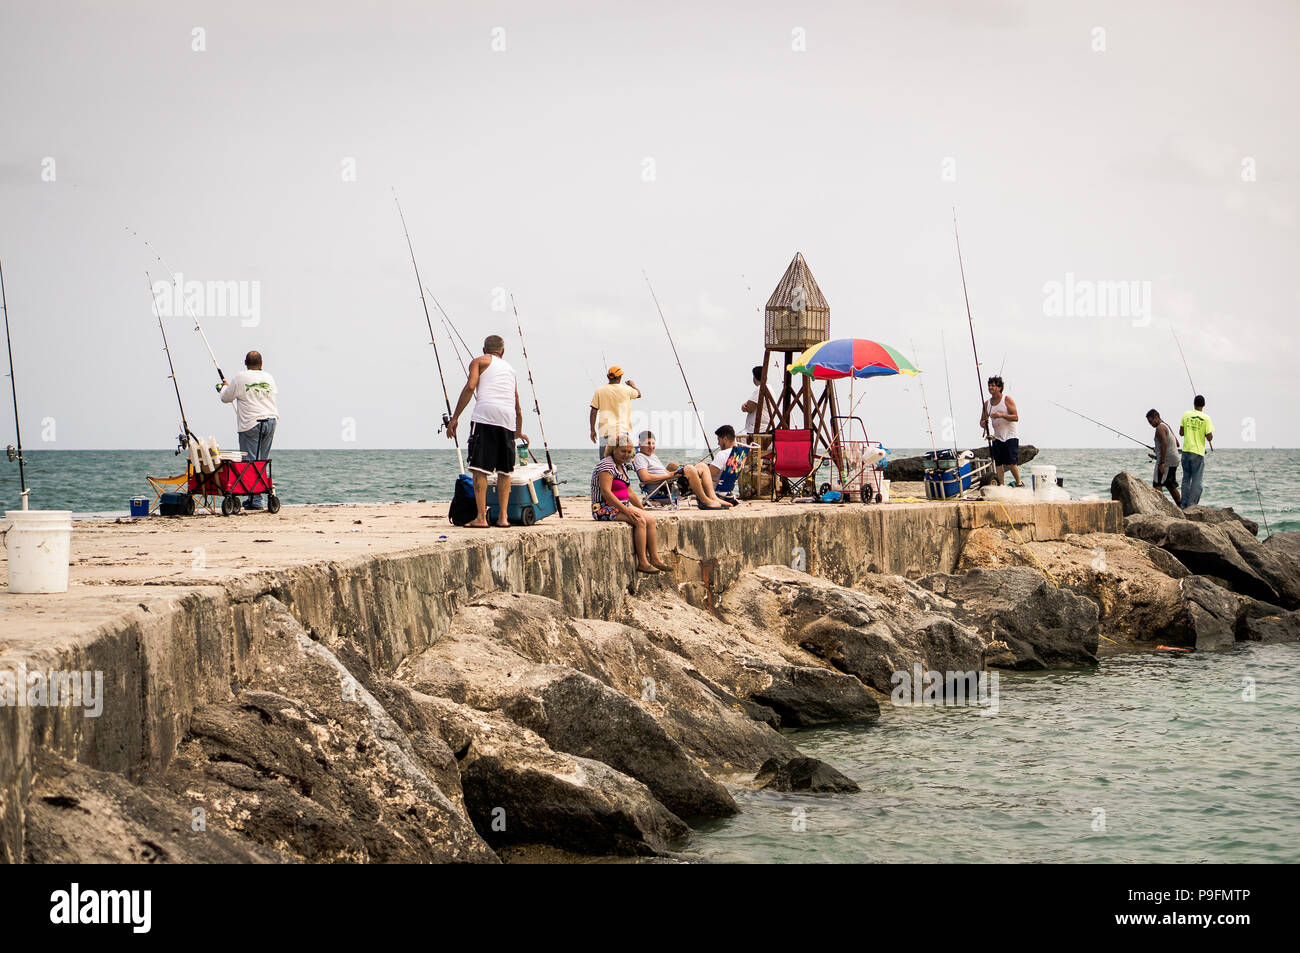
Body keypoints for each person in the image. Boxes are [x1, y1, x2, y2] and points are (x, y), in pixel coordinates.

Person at [446, 335, 529, 528]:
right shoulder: (511, 370)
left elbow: (470, 386)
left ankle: (481, 518)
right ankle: (503, 517)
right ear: (503, 351)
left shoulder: (479, 361)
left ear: (484, 350)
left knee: (479, 470)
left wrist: (455, 417)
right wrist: (518, 431)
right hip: (507, 420)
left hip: (485, 417)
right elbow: (518, 406)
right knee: (504, 471)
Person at [591, 434, 671, 574]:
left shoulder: (622, 466)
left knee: (650, 520)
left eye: (629, 452)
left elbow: (630, 493)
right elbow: (606, 493)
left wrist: (641, 509)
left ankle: (654, 558)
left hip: (622, 504)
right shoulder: (606, 465)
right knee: (639, 521)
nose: (626, 455)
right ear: (614, 449)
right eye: (623, 451)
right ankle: (642, 562)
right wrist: (628, 511)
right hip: (604, 508)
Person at [218, 350, 278, 510]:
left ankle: (256, 500)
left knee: (250, 463)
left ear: (245, 363)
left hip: (250, 423)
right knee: (261, 461)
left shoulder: (240, 377)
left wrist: (223, 388)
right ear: (261, 363)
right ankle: (255, 497)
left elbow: (225, 398)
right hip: (271, 420)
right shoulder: (269, 377)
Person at [633, 430, 734, 509]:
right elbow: (645, 478)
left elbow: (663, 472)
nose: (651, 447)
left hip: (668, 484)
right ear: (640, 444)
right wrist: (670, 475)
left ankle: (713, 497)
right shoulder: (640, 457)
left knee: (702, 466)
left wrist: (672, 473)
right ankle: (704, 501)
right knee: (689, 468)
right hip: (662, 490)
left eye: (653, 443)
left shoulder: (653, 456)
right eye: (648, 444)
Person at [589, 366, 641, 460]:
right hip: (622, 431)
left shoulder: (599, 391)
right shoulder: (627, 390)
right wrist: (632, 385)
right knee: (623, 462)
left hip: (605, 432)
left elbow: (593, 411)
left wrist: (592, 430)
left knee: (605, 463)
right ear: (620, 377)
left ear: (608, 377)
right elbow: (639, 394)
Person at [979, 376, 1022, 487]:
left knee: (1011, 462)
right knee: (998, 463)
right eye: (989, 385)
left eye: (993, 385)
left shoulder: (1007, 399)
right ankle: (1001, 485)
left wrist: (1001, 415)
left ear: (999, 387)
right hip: (997, 436)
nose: (990, 387)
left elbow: (1016, 417)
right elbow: (982, 420)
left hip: (1010, 436)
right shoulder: (987, 404)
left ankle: (1019, 482)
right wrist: (983, 423)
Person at [1178, 395, 1214, 508]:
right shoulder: (1206, 418)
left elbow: (1181, 433)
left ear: (1194, 403)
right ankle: (1192, 505)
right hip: (1198, 452)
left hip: (1186, 451)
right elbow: (1209, 437)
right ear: (1204, 405)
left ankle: (1183, 505)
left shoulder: (1186, 415)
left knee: (1186, 478)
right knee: (1197, 481)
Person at [1146, 409, 1181, 506]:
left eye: (1151, 421)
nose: (1150, 424)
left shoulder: (1159, 428)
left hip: (1166, 461)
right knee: (1170, 484)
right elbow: (1177, 443)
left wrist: (1162, 462)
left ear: (1156, 417)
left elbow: (1165, 443)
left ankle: (1161, 507)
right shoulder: (1167, 426)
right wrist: (1157, 448)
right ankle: (1181, 506)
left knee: (1157, 483)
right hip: (1175, 459)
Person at [741, 365, 768, 435]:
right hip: (765, 427)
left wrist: (744, 406)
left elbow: (750, 408)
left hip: (759, 429)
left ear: (754, 377)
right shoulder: (769, 387)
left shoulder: (760, 388)